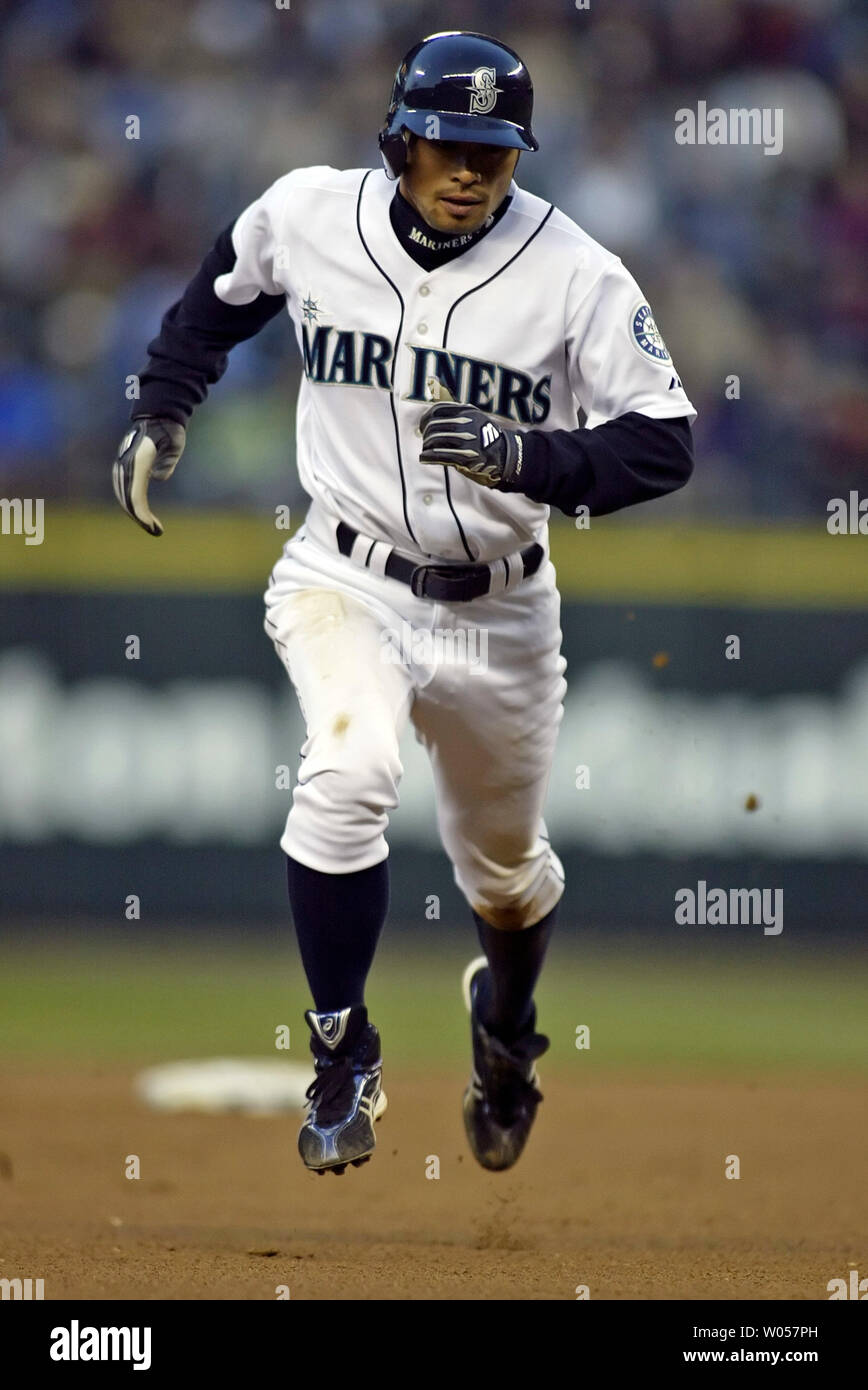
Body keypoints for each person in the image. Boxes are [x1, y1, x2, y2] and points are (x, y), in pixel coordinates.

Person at [113, 31, 695, 1176]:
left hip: (501, 610)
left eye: (496, 148)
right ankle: (342, 1051)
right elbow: (214, 300)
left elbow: (663, 444)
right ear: (399, 142)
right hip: (345, 576)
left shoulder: (575, 272)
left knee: (507, 871)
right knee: (345, 772)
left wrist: (525, 456)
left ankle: (506, 1036)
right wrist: (161, 407)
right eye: (449, 143)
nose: (472, 169)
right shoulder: (310, 214)